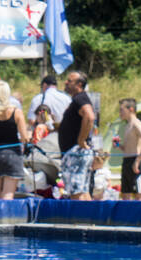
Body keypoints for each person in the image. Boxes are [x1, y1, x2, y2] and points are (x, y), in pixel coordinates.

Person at [56, 71, 96, 201]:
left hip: (76, 152)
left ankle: (79, 220)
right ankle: (89, 220)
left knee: (76, 191)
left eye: (69, 81)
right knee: (83, 191)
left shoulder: (80, 98)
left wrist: (81, 139)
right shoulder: (78, 99)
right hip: (77, 152)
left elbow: (89, 117)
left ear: (79, 84)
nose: (65, 83)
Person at [115, 97, 141, 200]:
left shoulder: (136, 123)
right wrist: (118, 145)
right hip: (127, 160)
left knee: (139, 193)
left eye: (122, 110)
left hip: (135, 161)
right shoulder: (128, 126)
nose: (120, 113)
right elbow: (127, 148)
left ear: (131, 109)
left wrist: (137, 161)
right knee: (125, 193)